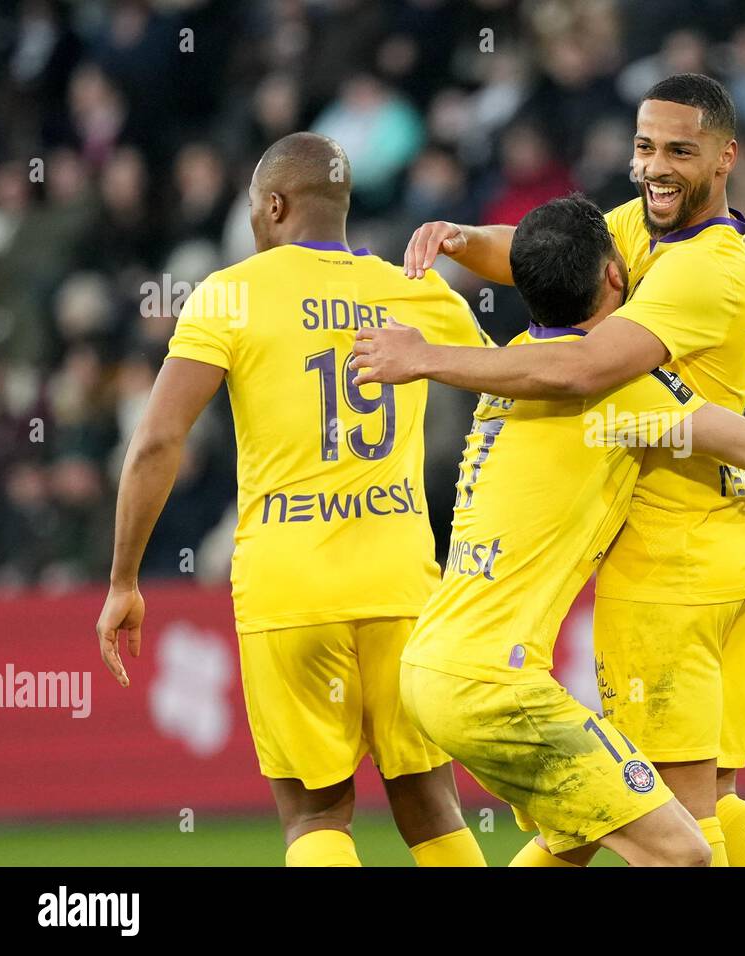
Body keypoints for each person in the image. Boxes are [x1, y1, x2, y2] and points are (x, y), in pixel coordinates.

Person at [354, 74, 745, 867]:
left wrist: (426, 359)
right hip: (726, 550)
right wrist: (461, 237)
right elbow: (541, 260)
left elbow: (588, 372)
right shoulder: (638, 252)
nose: (653, 167)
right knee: (692, 817)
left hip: (668, 570)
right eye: (643, 147)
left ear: (727, 157)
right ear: (613, 278)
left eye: (677, 151)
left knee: (681, 830)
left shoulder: (656, 312)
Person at [95, 132, 492, 867]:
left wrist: (124, 578)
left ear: (274, 206)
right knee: (430, 804)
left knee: (316, 813)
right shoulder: (413, 287)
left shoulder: (229, 293)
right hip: (401, 581)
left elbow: (154, 442)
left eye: (252, 206)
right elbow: (509, 393)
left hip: (290, 585)